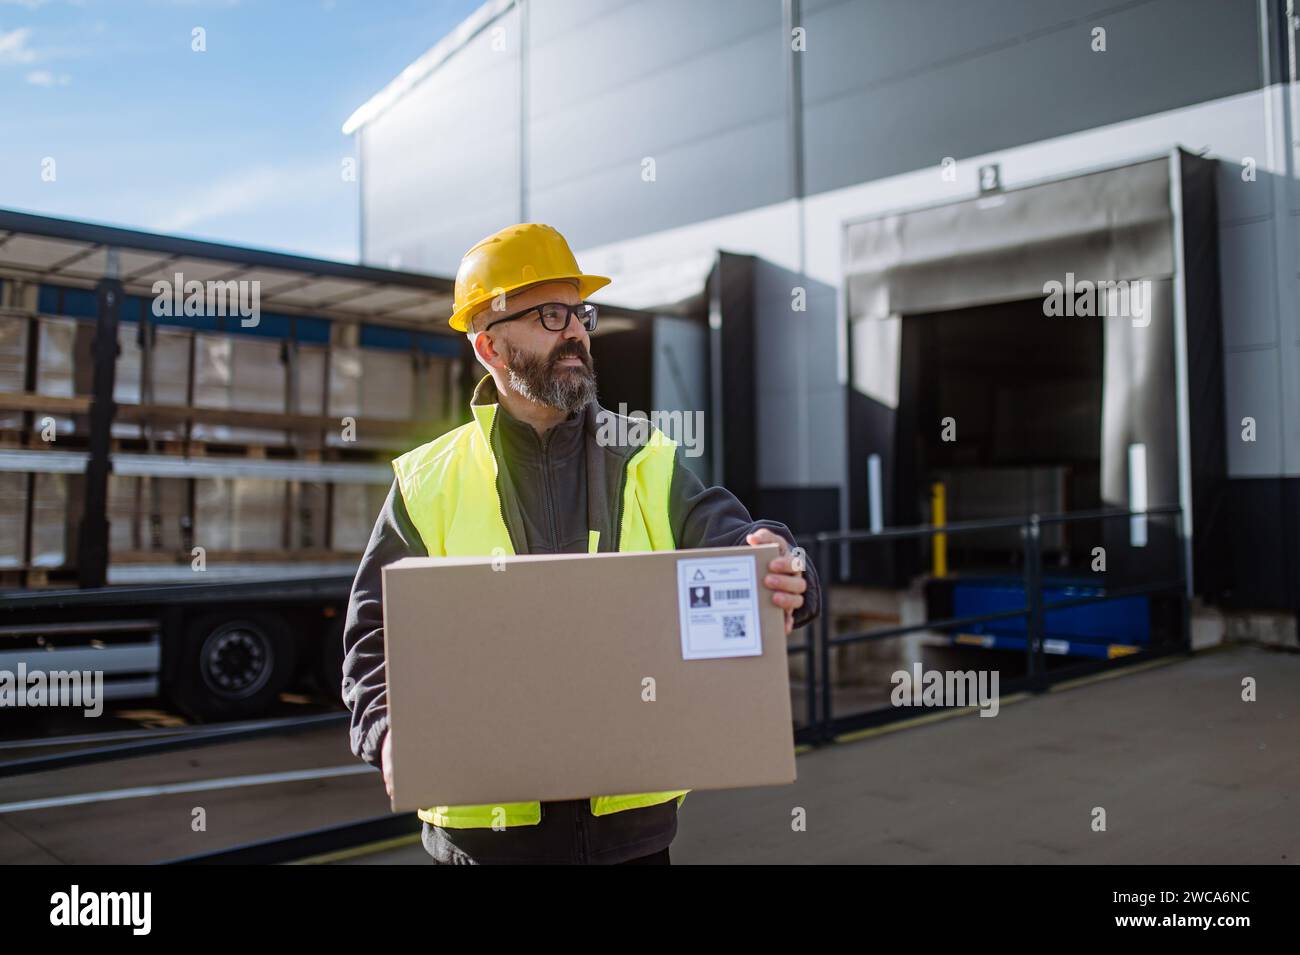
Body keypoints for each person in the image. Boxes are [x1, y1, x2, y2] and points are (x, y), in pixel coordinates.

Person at [342, 222, 821, 864]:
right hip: (487, 840)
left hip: (630, 838)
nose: (575, 332)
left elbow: (739, 541)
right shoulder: (428, 482)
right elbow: (370, 636)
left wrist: (785, 564)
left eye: (579, 313)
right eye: (550, 314)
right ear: (489, 346)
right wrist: (387, 732)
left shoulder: (645, 456)